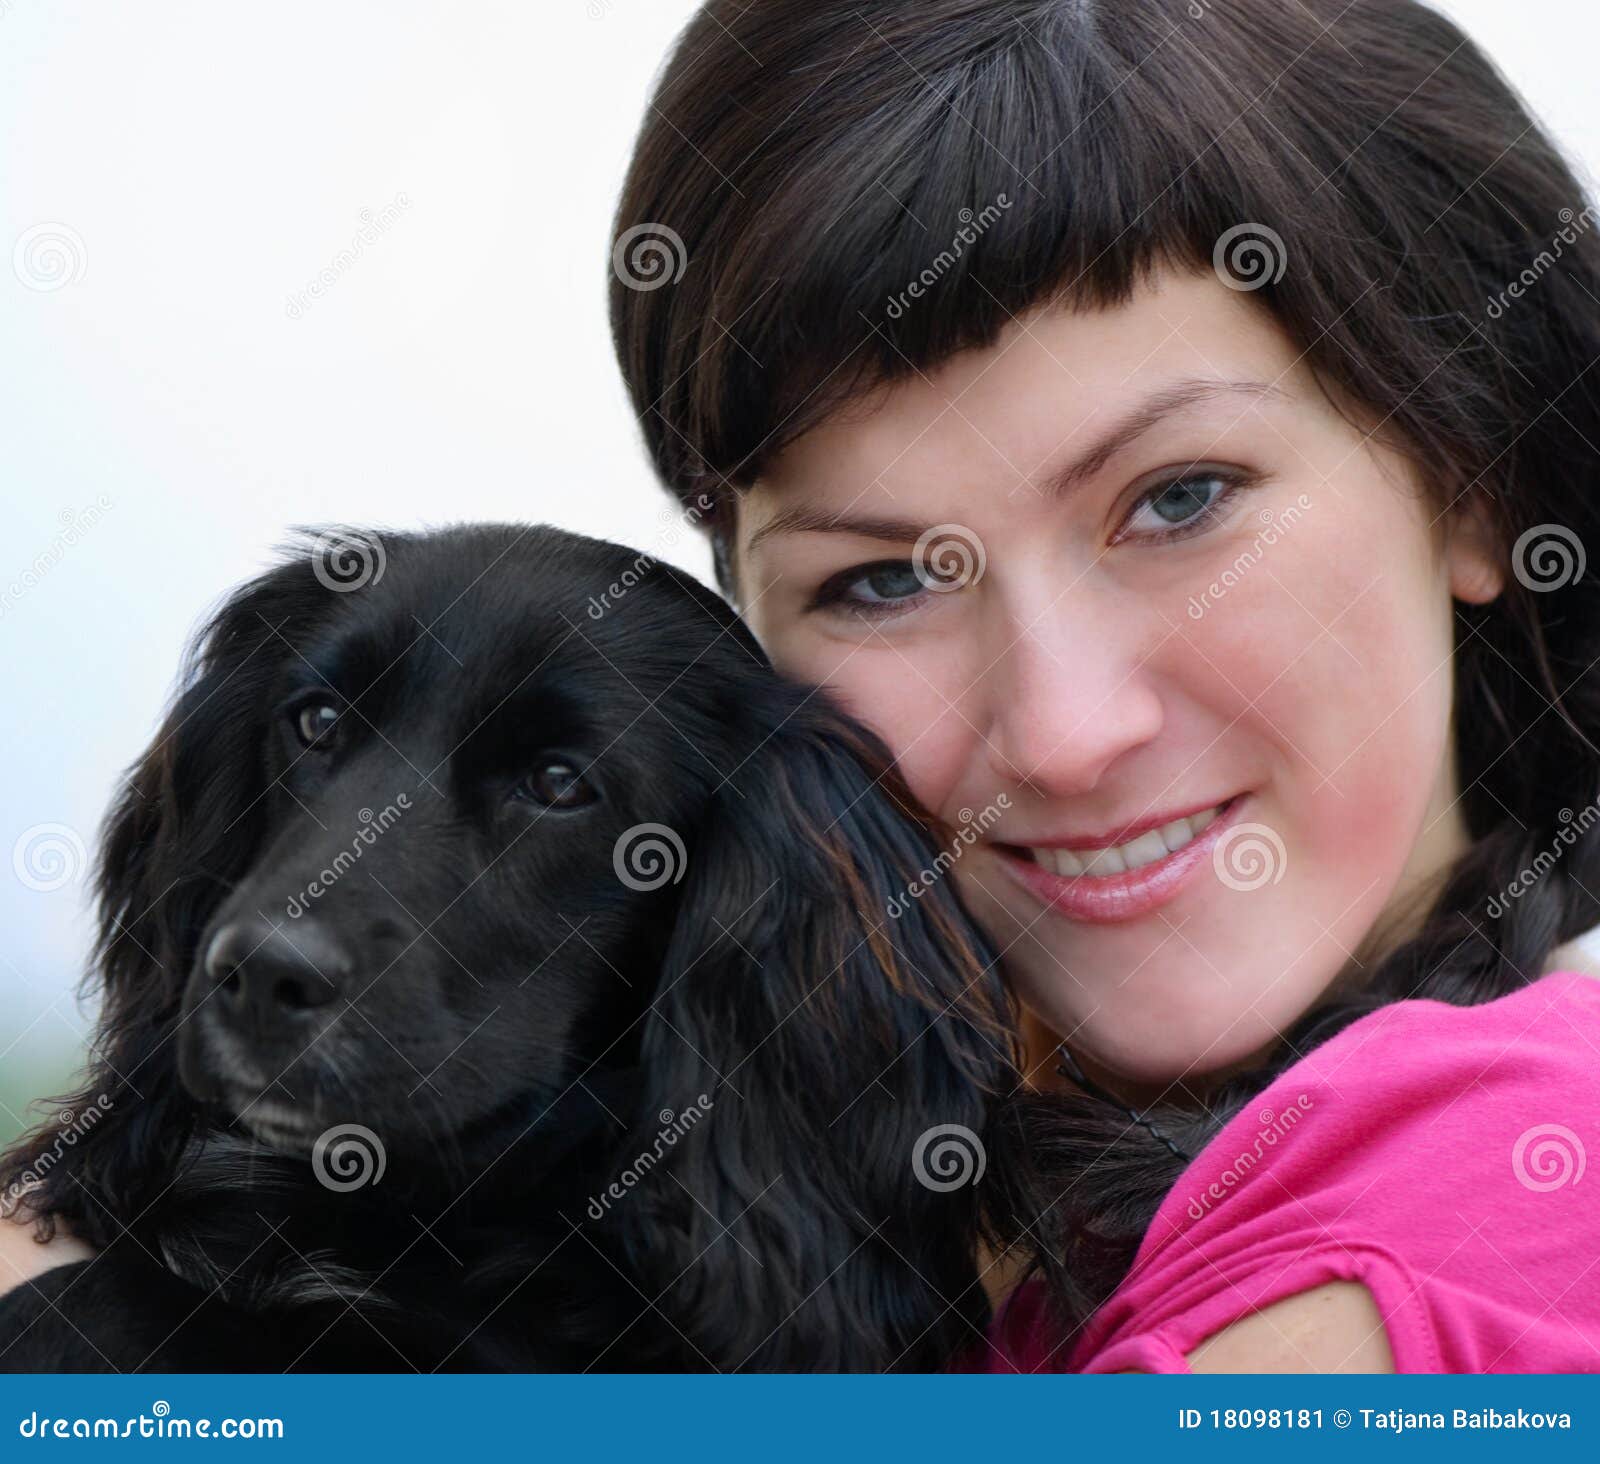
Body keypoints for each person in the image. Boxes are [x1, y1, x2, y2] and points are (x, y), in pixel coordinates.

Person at [607, 0, 1600, 1370]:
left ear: (1474, 471)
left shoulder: (1480, 1208)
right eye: (881, 581)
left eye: (1180, 497)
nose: (1064, 734)